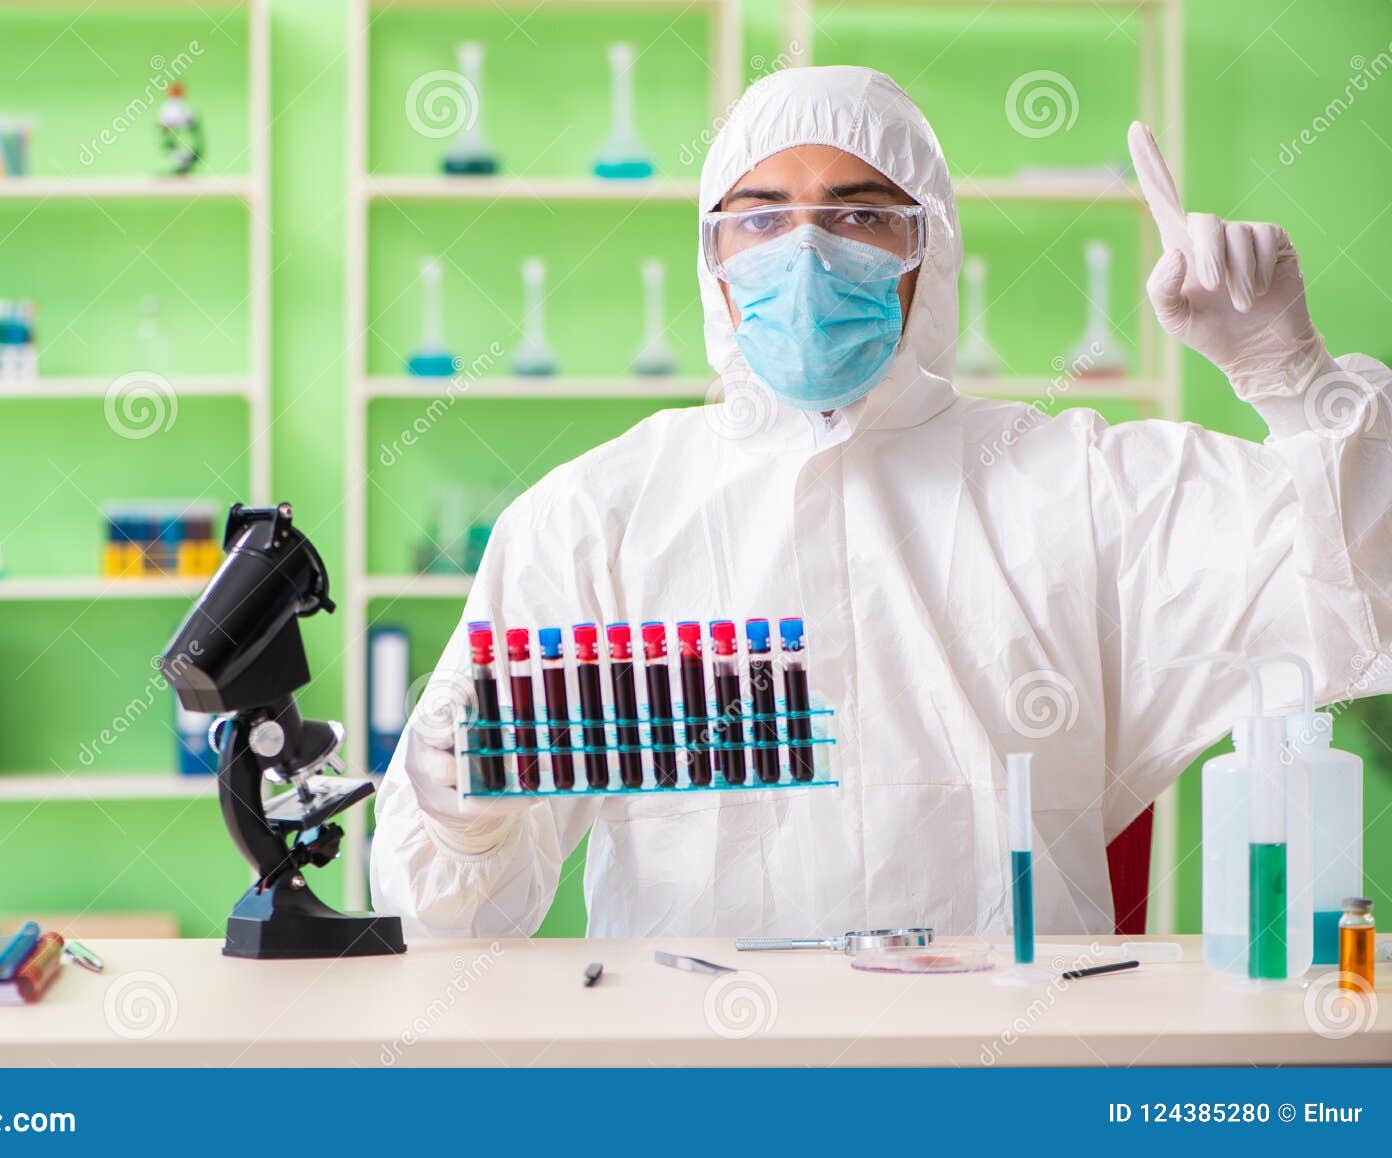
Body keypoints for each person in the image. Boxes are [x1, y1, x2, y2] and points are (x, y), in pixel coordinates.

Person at [370, 66, 1392, 939]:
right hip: (696, 1075)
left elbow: (1359, 600)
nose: (806, 254)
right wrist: (456, 810)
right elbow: (448, 924)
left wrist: (1293, 376)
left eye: (859, 214)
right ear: (712, 257)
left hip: (1004, 1072)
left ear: (927, 249)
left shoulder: (1079, 485)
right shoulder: (595, 516)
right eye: (760, 217)